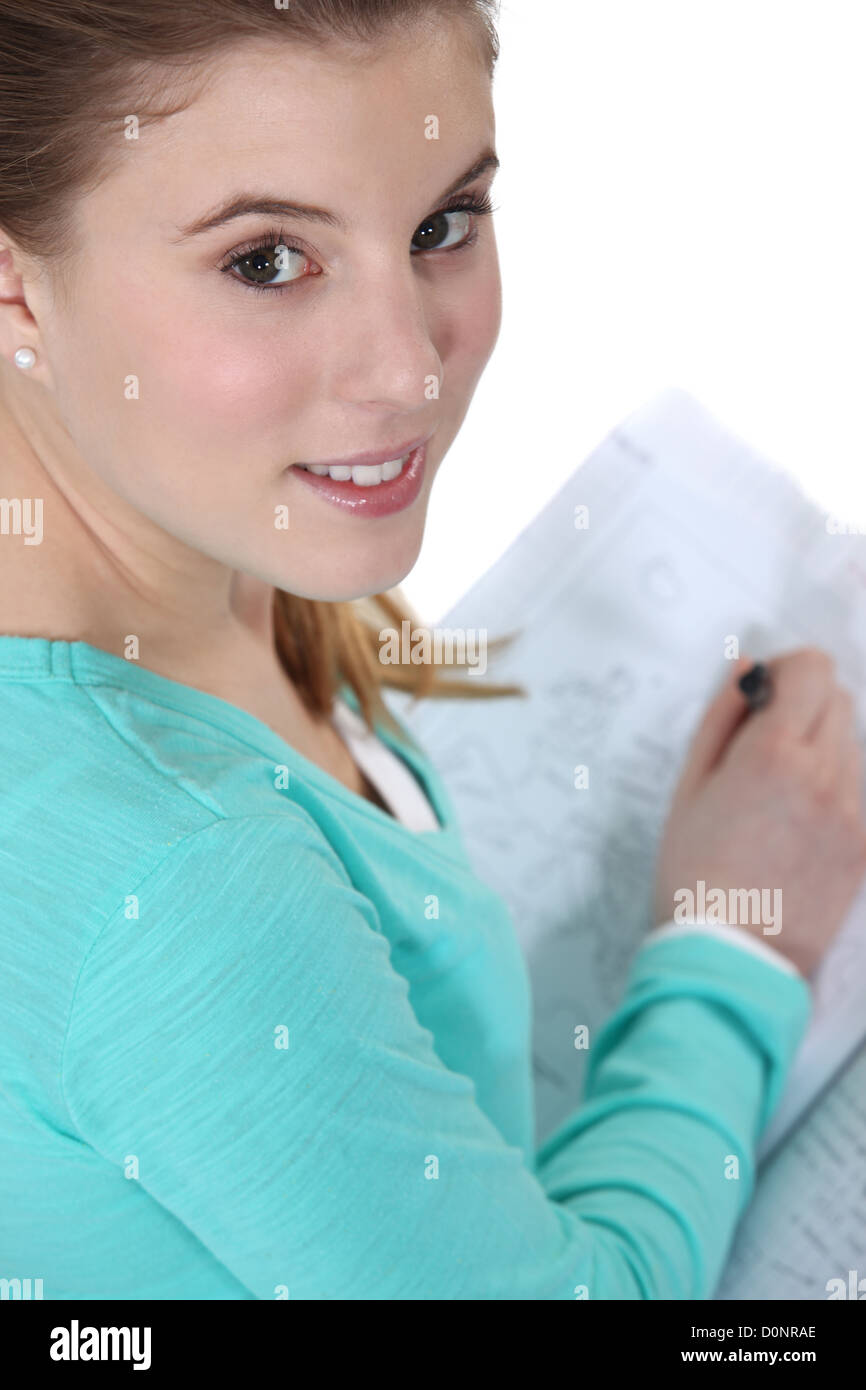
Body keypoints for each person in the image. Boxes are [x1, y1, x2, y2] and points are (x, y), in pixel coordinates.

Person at [0, 0, 864, 1301]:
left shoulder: (190, 528)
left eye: (440, 226)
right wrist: (736, 939)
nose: (407, 371)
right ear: (14, 283)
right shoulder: (185, 877)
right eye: (266, 262)